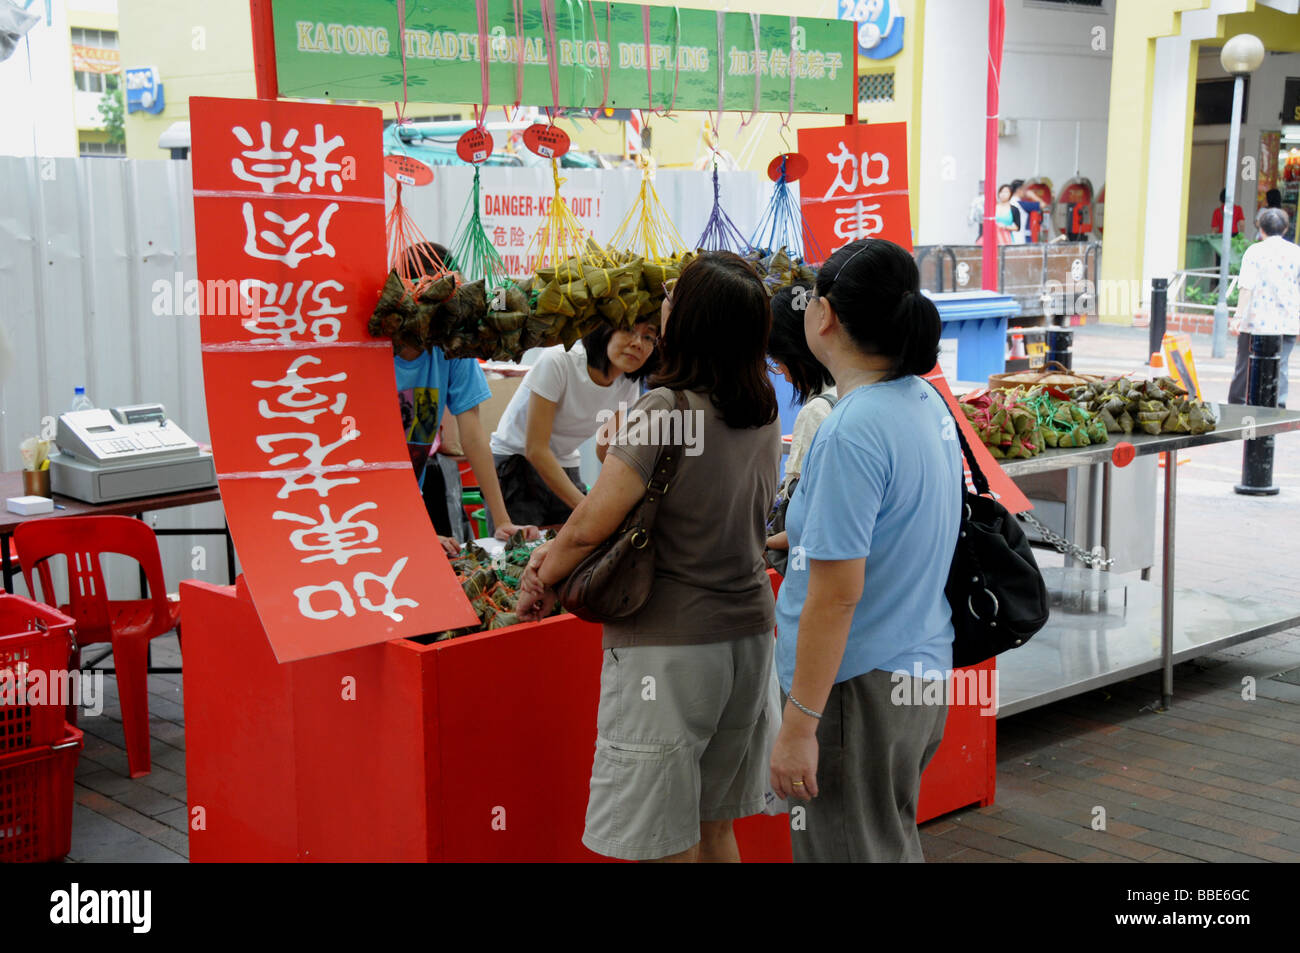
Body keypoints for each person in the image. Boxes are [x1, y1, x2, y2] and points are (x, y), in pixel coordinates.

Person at [516, 251, 781, 863]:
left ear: (690, 319)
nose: (660, 307)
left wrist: (541, 574)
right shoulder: (761, 410)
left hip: (668, 650)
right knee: (715, 828)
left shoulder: (666, 409)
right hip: (747, 639)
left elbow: (587, 526)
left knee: (663, 842)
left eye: (673, 297)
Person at [768, 238, 962, 863]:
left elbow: (836, 596)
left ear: (824, 315)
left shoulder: (851, 428)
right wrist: (805, 540)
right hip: (917, 670)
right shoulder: (921, 400)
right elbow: (895, 526)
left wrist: (799, 725)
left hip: (855, 691)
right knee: (884, 843)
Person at [392, 242, 538, 553]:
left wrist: (501, 521)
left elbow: (472, 435)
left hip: (412, 496)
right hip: (367, 504)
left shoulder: (452, 350)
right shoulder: (371, 352)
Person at [489, 317, 660, 527]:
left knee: (577, 544)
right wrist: (589, 508)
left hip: (564, 463)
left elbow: (606, 449)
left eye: (648, 337)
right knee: (523, 552)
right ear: (604, 330)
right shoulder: (559, 361)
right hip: (516, 463)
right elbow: (535, 449)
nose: (637, 343)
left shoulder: (627, 383)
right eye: (628, 330)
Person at [764, 284, 837, 571]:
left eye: (779, 361)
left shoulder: (817, 411)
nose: (780, 371)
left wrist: (765, 543)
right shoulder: (859, 390)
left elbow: (808, 519)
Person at [1229, 207, 1299, 408]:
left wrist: (1238, 316)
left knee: (1244, 364)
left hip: (1255, 320)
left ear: (1261, 229)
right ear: (1285, 228)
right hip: (1286, 320)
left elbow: (1246, 285)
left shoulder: (1254, 251)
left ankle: (1237, 403)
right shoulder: (1296, 253)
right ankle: (1277, 404)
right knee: (1281, 364)